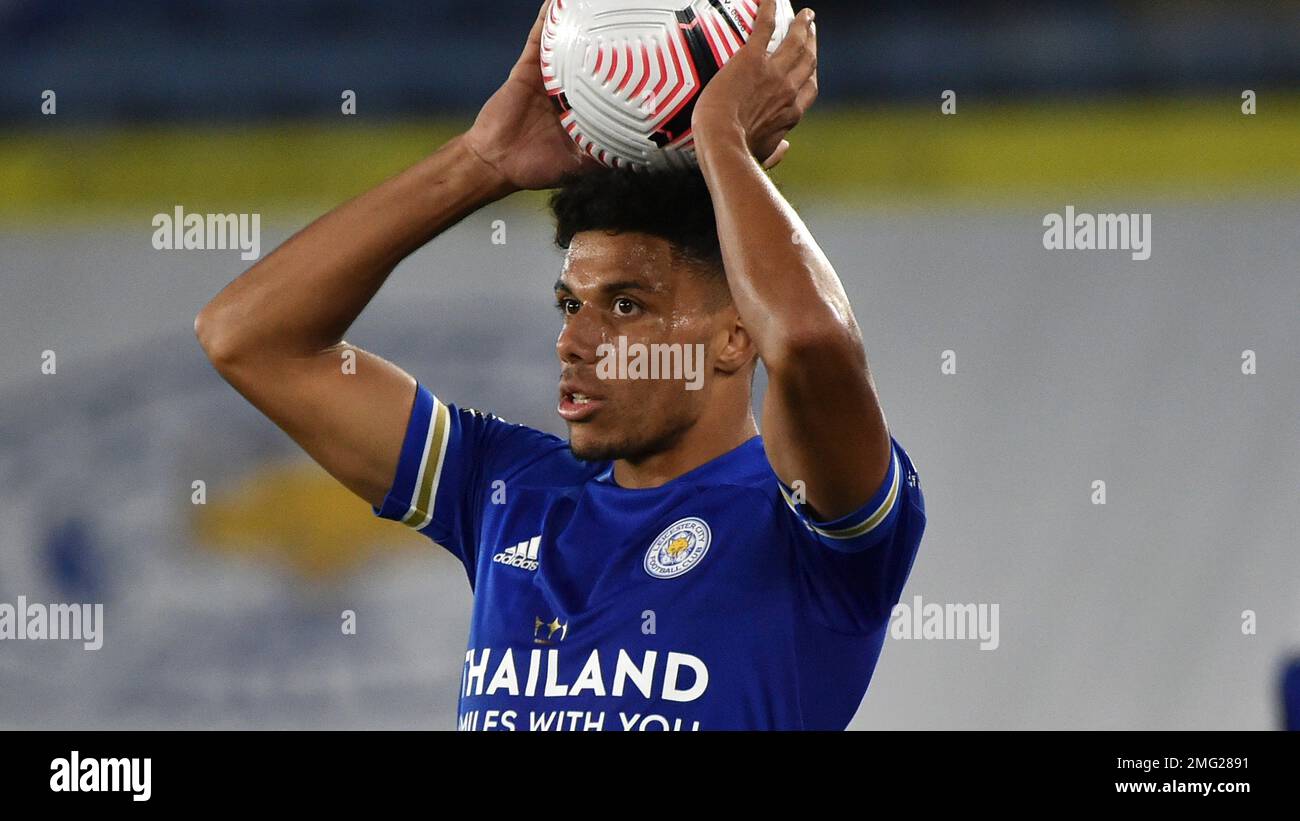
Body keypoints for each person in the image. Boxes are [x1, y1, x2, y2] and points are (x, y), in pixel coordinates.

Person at [195, 0, 925, 730]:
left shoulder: (804, 518)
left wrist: (721, 142)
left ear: (737, 336)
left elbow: (809, 344)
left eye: (627, 306)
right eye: (571, 306)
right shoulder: (507, 490)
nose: (574, 343)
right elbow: (246, 337)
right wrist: (478, 164)